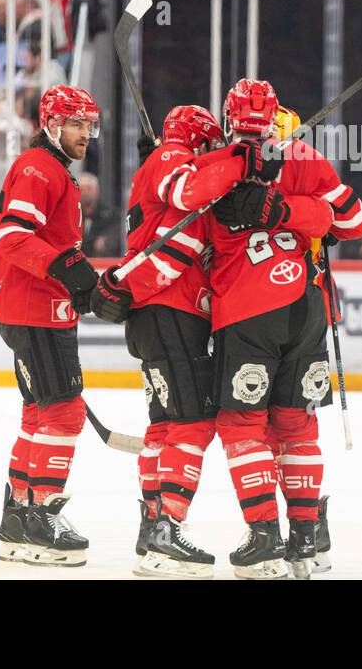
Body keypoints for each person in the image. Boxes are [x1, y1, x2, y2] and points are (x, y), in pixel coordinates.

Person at [203, 78, 362, 578]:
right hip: (308, 307)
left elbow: (183, 225)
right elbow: (353, 221)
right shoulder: (303, 156)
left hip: (248, 309)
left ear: (229, 119)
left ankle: (265, 540)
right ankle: (306, 540)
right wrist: (304, 216)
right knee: (296, 426)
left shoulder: (214, 162)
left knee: (242, 425)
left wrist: (281, 209)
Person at [96, 104, 255, 578]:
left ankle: (152, 529)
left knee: (164, 425)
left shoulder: (167, 161)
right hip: (171, 312)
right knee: (193, 420)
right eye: (209, 144)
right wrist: (241, 156)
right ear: (199, 139)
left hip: (157, 315)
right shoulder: (170, 159)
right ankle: (167, 530)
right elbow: (191, 189)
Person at [0, 85, 100, 568]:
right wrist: (64, 268)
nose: (85, 134)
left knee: (38, 413)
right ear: (52, 124)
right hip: (36, 308)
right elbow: (13, 238)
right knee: (64, 413)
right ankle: (41, 519)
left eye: (89, 125)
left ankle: (17, 517)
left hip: (29, 305)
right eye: (76, 124)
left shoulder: (51, 170)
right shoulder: (38, 168)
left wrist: (66, 271)